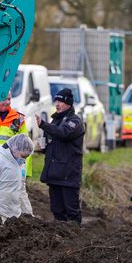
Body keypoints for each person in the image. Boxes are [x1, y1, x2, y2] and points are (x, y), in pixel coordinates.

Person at [36, 87, 85, 224]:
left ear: (68, 103)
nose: (57, 104)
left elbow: (63, 133)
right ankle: (61, 240)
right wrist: (43, 148)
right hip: (54, 175)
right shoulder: (55, 121)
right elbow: (55, 142)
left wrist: (43, 125)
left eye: (60, 101)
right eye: (56, 101)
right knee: (57, 211)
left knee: (72, 212)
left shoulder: (74, 121)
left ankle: (76, 239)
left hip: (68, 176)